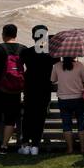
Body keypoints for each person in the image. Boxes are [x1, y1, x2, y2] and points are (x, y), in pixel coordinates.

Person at [0, 24, 26, 155]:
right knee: (10, 119)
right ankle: (4, 146)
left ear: (3, 34)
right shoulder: (23, 49)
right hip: (15, 90)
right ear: (16, 34)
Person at [20, 24, 57, 156]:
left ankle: (25, 143)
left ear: (32, 36)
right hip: (44, 88)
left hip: (29, 87)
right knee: (40, 117)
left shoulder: (26, 52)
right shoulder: (52, 54)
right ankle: (35, 144)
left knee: (28, 116)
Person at [52, 55, 84, 154]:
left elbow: (53, 80)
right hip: (78, 98)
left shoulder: (56, 66)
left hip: (63, 99)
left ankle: (70, 148)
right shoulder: (79, 65)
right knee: (81, 122)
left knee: (66, 123)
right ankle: (82, 148)